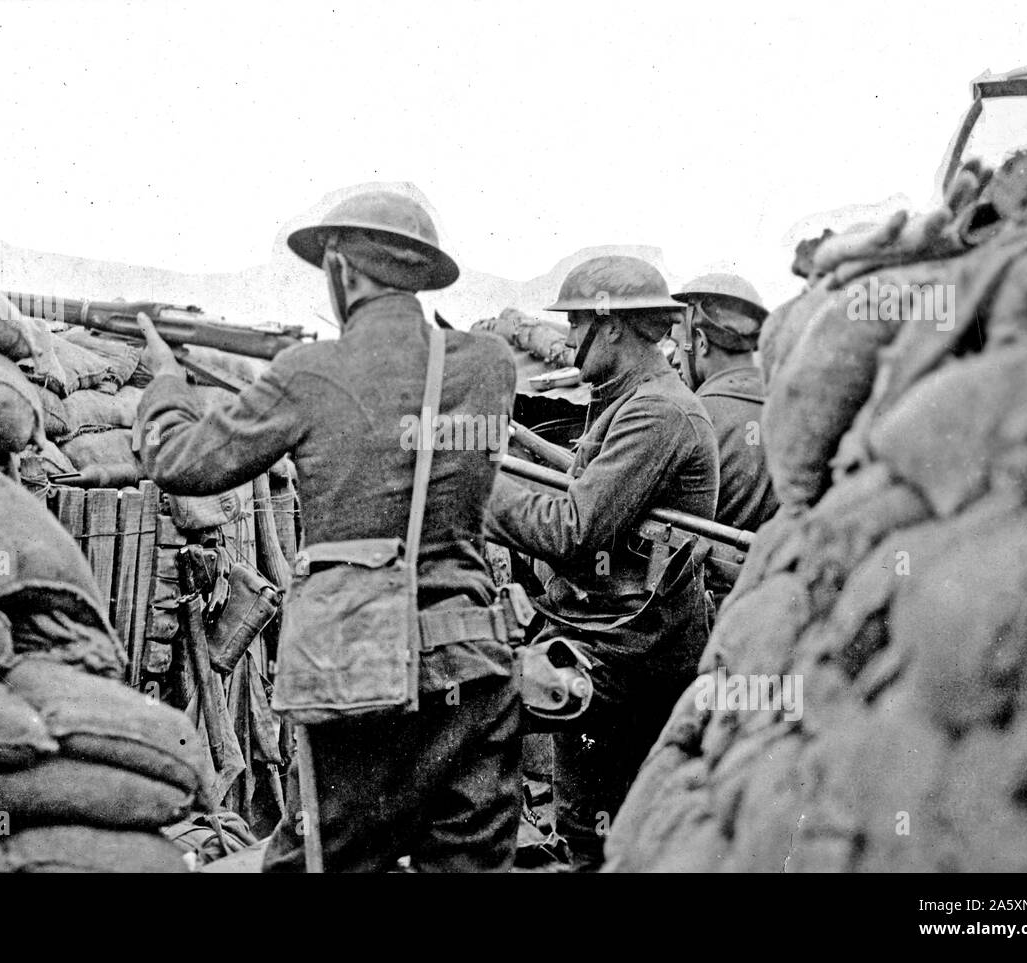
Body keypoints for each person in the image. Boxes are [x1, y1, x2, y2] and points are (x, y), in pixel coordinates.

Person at [134, 189, 523, 872]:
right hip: (473, 663)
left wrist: (166, 383)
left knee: (321, 859)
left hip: (359, 672)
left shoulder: (307, 374)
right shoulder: (489, 365)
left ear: (341, 271)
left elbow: (180, 463)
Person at [483, 254, 720, 871]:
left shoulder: (657, 413)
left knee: (474, 706)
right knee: (597, 829)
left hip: (624, 653)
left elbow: (574, 528)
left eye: (577, 323)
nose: (567, 339)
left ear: (611, 326)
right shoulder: (640, 401)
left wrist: (474, 488)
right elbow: (596, 483)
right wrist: (518, 447)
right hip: (616, 640)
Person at [670, 273, 779, 534]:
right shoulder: (793, 410)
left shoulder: (691, 418)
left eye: (676, 345)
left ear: (702, 343)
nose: (674, 359)